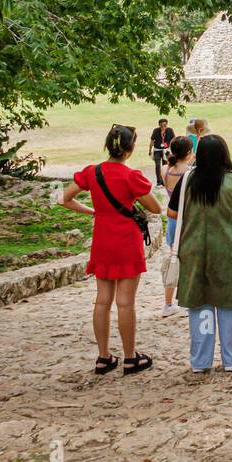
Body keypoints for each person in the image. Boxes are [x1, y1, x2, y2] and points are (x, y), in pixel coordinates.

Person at [60, 124, 162, 375]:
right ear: (129, 150)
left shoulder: (92, 173)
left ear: (108, 146)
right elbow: (155, 207)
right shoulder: (131, 176)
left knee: (102, 300)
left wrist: (93, 211)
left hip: (103, 237)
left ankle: (104, 356)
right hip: (126, 239)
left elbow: (65, 199)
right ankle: (130, 357)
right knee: (125, 303)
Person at [167, 134, 232, 373]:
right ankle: (231, 358)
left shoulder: (188, 180)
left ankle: (200, 361)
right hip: (228, 249)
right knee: (229, 304)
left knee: (199, 306)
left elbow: (172, 212)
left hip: (195, 249)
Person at [160, 135, 195, 317]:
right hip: (187, 219)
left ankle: (167, 303)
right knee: (189, 261)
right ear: (189, 152)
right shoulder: (190, 173)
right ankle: (188, 300)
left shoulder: (165, 169)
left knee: (174, 260)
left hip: (172, 220)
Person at [149, 118, 175, 186]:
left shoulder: (170, 130)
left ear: (167, 125)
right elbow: (152, 141)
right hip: (157, 150)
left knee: (165, 165)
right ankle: (159, 181)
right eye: (161, 125)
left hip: (166, 150)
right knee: (157, 165)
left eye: (165, 125)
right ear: (159, 125)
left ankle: (164, 181)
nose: (163, 127)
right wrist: (150, 150)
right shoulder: (156, 130)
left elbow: (174, 139)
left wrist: (172, 149)